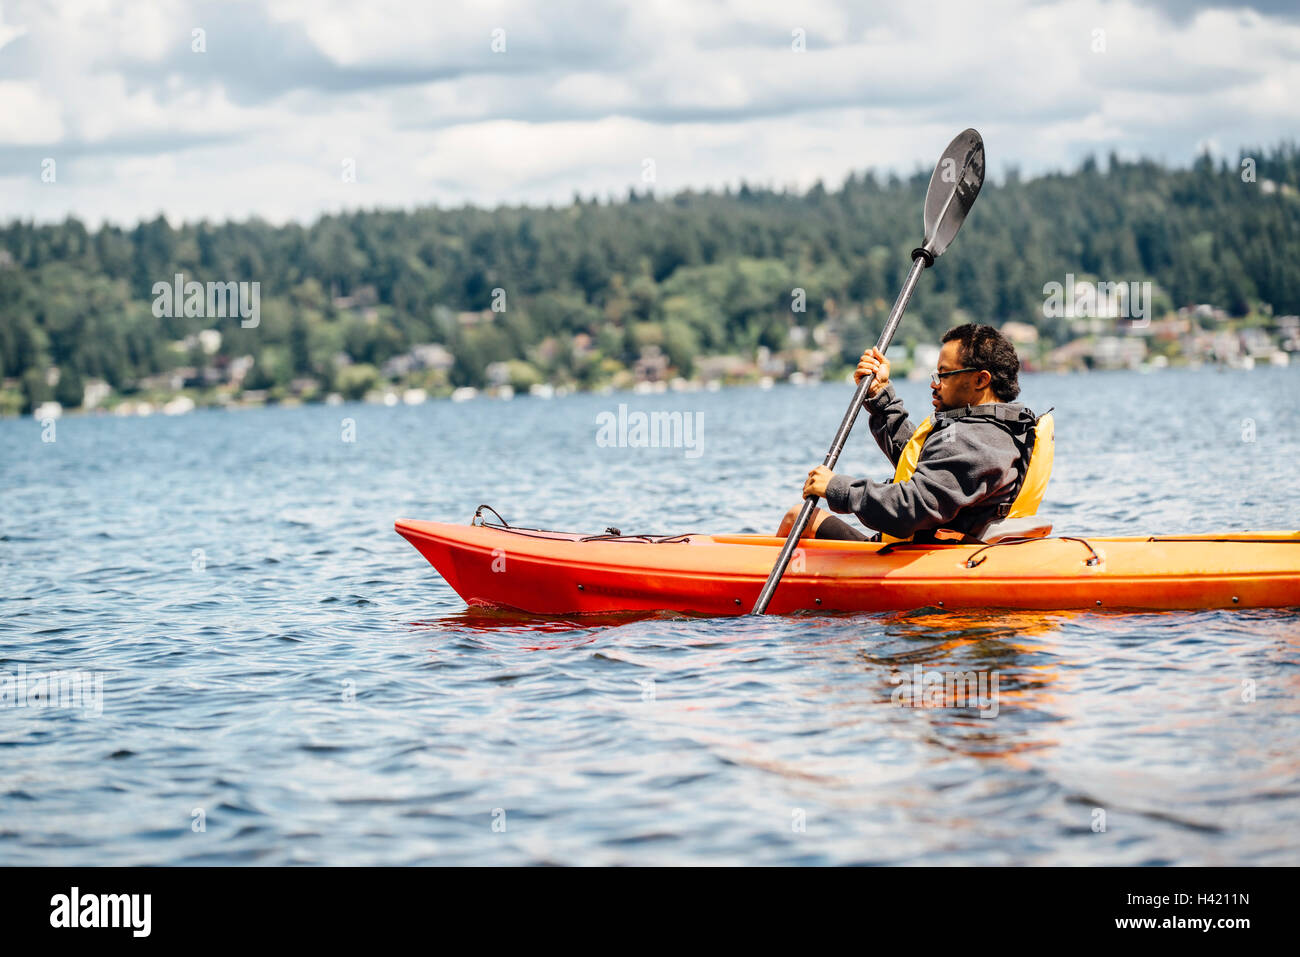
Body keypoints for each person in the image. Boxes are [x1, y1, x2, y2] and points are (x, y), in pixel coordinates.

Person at [775, 323, 1049, 544]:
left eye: (944, 374)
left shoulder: (973, 440)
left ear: (980, 379)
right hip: (934, 548)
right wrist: (879, 396)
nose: (934, 384)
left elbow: (910, 509)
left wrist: (838, 488)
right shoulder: (996, 430)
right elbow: (922, 460)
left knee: (797, 517)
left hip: (926, 559)